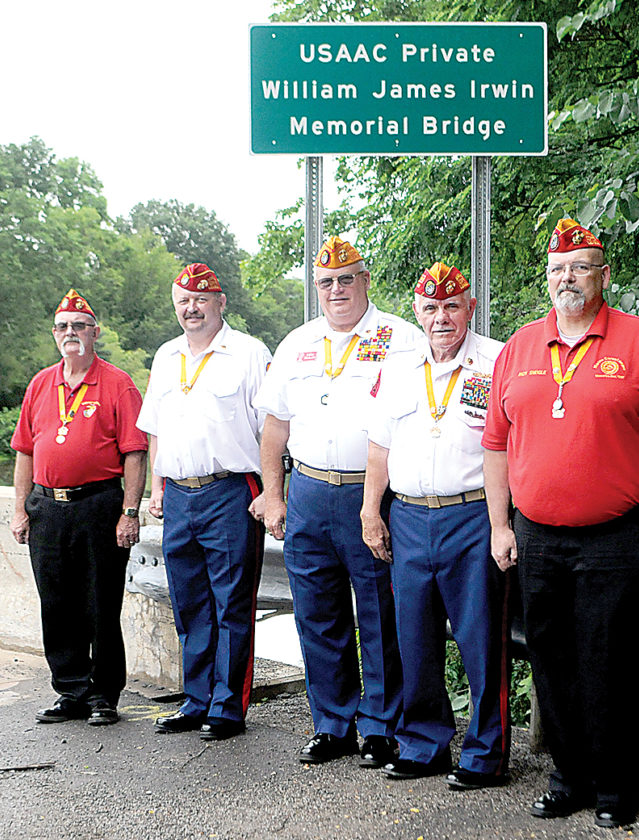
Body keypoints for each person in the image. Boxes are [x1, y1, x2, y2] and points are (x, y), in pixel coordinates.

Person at [482, 218, 639, 828]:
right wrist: (500, 525)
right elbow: (496, 446)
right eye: (558, 269)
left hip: (621, 536)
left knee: (613, 660)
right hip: (537, 537)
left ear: (603, 275)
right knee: (551, 659)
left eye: (581, 266)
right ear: (547, 280)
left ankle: (615, 787)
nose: (568, 277)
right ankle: (568, 778)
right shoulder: (520, 349)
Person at [254, 235, 421, 768]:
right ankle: (332, 722)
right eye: (326, 282)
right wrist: (273, 495)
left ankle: (380, 724)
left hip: (370, 496)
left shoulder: (402, 338)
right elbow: (274, 426)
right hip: (307, 490)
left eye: (346, 278)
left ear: (365, 280)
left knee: (378, 612)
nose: (336, 289)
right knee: (316, 612)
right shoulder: (296, 343)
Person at [360, 262, 512, 790]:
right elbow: (378, 447)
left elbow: (516, 443)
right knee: (414, 637)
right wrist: (369, 512)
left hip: (472, 515)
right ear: (418, 312)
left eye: (452, 306)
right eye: (430, 308)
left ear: (469, 307)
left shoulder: (498, 360)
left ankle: (486, 753)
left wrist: (502, 522)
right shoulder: (398, 366)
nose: (441, 317)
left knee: (480, 639)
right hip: (407, 516)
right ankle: (424, 744)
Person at [136, 263, 271, 741]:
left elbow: (272, 429)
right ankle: (195, 699)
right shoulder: (166, 356)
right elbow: (155, 429)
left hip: (230, 491)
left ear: (220, 302)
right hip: (178, 495)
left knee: (232, 602)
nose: (191, 309)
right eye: (183, 301)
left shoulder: (249, 354)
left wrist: (272, 491)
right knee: (190, 601)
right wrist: (157, 487)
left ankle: (227, 706)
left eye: (200, 299)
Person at [10, 289, 148, 726]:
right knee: (56, 602)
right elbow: (24, 451)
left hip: (99, 505)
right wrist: (20, 508)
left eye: (80, 326)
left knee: (100, 602)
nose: (72, 333)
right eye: (64, 326)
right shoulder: (40, 383)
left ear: (95, 333)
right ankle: (70, 689)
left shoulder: (117, 383)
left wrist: (130, 510)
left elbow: (135, 453)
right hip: (47, 507)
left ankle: (104, 694)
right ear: (55, 335)